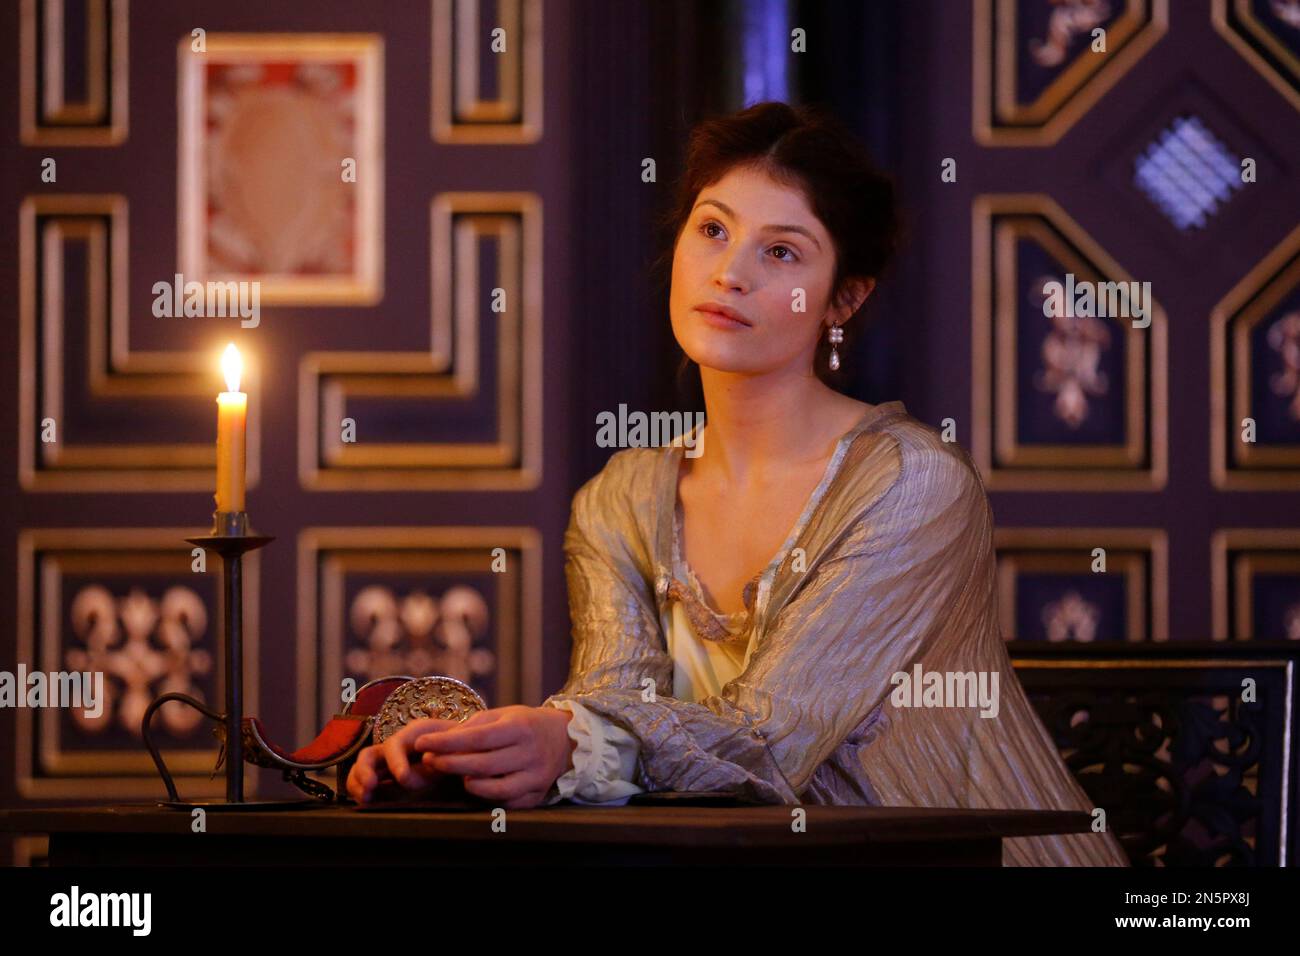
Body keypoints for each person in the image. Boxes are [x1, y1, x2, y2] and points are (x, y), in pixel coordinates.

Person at [346, 101, 1129, 866]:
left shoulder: (913, 484)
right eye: (713, 229)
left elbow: (771, 741)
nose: (730, 273)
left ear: (844, 299)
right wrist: (468, 756)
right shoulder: (619, 499)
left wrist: (568, 740)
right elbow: (615, 703)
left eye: (781, 252)